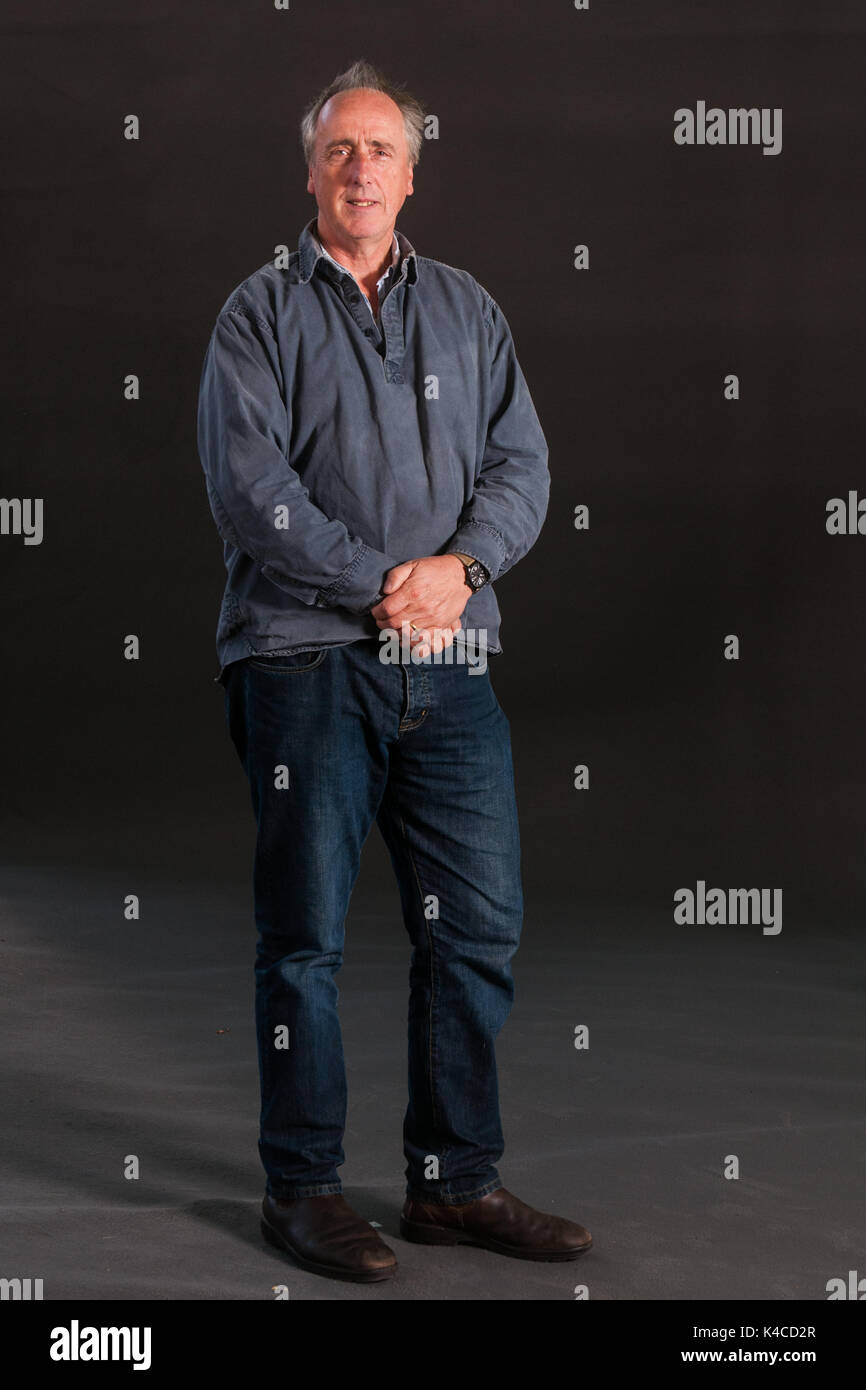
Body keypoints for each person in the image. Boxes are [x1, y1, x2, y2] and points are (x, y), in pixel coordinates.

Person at [197, 58, 592, 1284]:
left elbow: (520, 468)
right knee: (303, 941)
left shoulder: (470, 311)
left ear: (412, 173)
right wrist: (387, 583)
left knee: (476, 931)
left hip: (452, 665)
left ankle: (452, 1184)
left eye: (380, 150)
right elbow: (253, 496)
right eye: (337, 150)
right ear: (310, 171)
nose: (359, 166)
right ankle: (301, 1187)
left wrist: (460, 569)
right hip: (306, 662)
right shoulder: (255, 314)